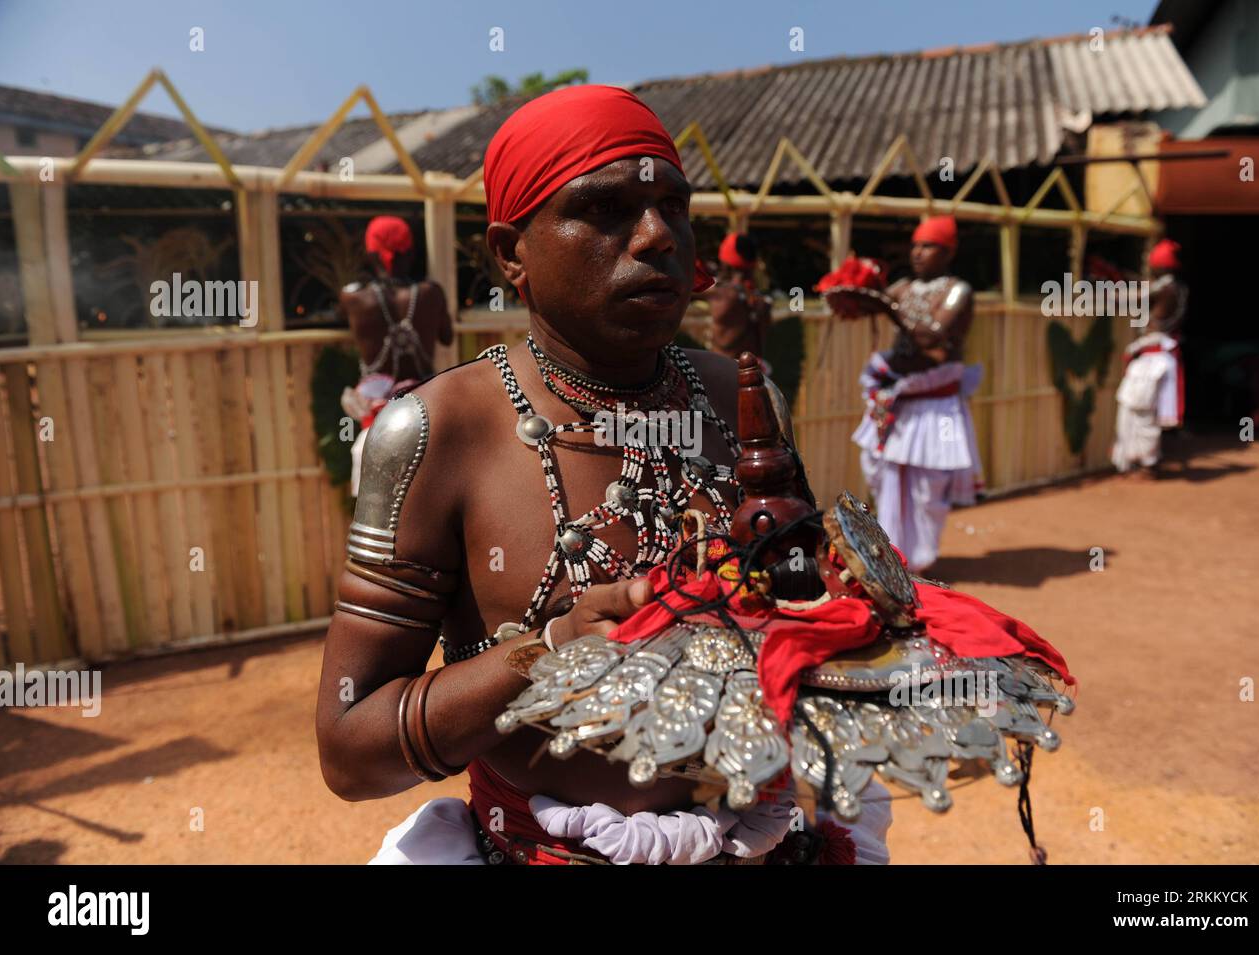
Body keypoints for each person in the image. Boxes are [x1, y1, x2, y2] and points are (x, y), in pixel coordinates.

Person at [315, 84, 892, 865]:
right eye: (606, 209)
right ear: (510, 253)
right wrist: (547, 652)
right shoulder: (434, 432)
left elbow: (798, 613)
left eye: (674, 207)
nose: (658, 235)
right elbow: (351, 750)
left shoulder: (742, 397)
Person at [849, 216, 982, 573]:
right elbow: (869, 303)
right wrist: (853, 289)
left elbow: (932, 335)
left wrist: (888, 307)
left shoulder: (958, 290)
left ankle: (921, 561)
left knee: (927, 491)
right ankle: (895, 555)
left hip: (935, 404)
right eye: (915, 246)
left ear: (949, 251)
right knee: (886, 478)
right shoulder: (903, 286)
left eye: (928, 246)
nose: (918, 253)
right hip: (898, 399)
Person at [338, 216, 454, 495]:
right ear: (411, 252)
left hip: (378, 422)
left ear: (370, 253)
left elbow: (339, 320)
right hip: (427, 413)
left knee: (377, 510)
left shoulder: (353, 298)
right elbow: (447, 337)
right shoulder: (430, 293)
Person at [1111, 238, 1187, 475]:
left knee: (1141, 411)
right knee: (1139, 411)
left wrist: (1096, 293)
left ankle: (1146, 463)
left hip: (1153, 360)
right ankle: (1141, 461)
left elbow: (1132, 297)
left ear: (1160, 265)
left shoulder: (1165, 289)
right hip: (1155, 357)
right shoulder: (1173, 287)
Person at [705, 232, 772, 366]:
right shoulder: (762, 302)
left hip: (723, 376)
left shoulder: (722, 295)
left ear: (726, 263)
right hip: (754, 378)